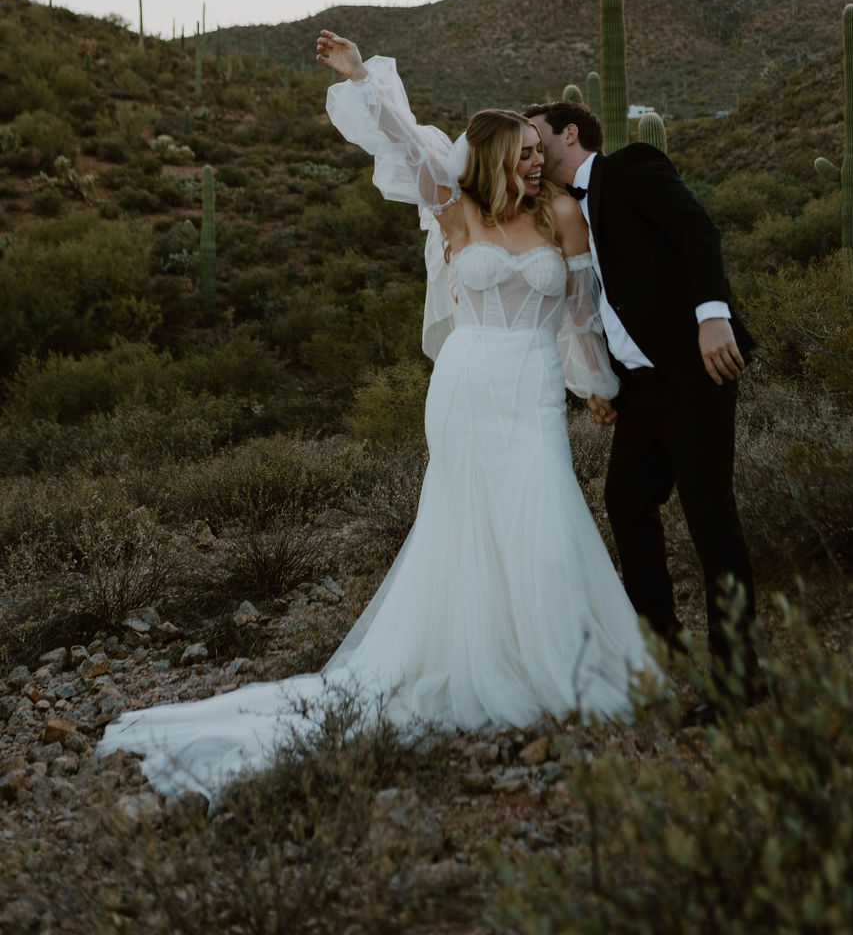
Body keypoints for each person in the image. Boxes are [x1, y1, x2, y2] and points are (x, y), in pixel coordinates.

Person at [95, 39, 650, 802]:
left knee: (543, 504)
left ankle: (550, 653)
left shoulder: (561, 216)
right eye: (523, 151)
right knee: (468, 517)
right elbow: (406, 143)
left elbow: (580, 314)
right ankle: (481, 654)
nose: (536, 161)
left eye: (538, 150)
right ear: (493, 156)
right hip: (467, 384)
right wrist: (362, 77)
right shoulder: (455, 211)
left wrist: (597, 385)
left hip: (532, 384)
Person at [522, 98, 762, 722]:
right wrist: (602, 382)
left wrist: (712, 317)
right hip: (640, 389)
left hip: (694, 371)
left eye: (537, 137)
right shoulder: (561, 210)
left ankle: (740, 678)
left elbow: (697, 228)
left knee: (711, 520)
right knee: (626, 504)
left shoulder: (631, 166)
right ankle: (661, 641)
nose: (531, 150)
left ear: (568, 134)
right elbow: (595, 302)